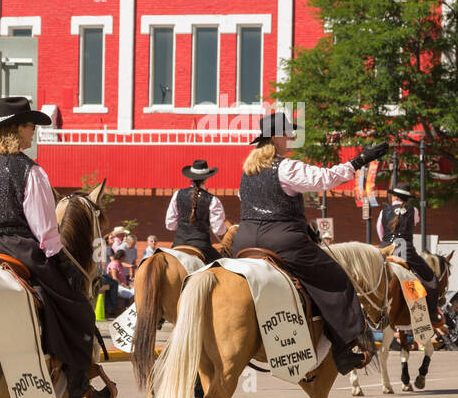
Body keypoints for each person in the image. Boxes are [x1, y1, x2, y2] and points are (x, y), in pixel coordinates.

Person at [0, 96, 108, 398]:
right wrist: (62, 263)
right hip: (19, 250)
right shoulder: (31, 171)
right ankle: (80, 388)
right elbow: (46, 233)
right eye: (30, 126)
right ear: (15, 130)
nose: (33, 132)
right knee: (77, 307)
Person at [230, 112, 388, 374]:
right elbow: (325, 179)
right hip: (282, 241)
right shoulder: (286, 167)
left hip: (243, 242)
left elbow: (251, 204)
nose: (292, 137)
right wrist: (361, 159)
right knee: (337, 281)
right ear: (277, 137)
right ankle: (347, 348)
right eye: (289, 133)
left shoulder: (247, 173)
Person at [377, 185, 442, 320]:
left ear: (394, 196)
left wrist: (388, 244)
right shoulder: (414, 210)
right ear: (406, 198)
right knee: (430, 278)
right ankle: (432, 313)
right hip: (405, 250)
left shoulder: (383, 212)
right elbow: (415, 223)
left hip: (385, 249)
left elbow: (380, 232)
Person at [165, 159, 227, 264]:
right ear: (206, 178)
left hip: (178, 244)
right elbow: (219, 230)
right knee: (224, 266)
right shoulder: (212, 200)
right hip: (202, 246)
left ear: (190, 178)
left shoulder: (177, 194)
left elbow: (170, 225)